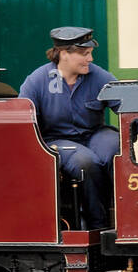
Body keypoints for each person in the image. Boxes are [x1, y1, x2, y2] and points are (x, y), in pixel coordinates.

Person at [19, 26, 120, 230]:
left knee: (114, 148)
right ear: (64, 54)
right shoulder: (37, 81)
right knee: (86, 162)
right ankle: (98, 227)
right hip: (57, 141)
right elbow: (23, 125)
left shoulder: (99, 76)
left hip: (94, 134)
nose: (90, 59)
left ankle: (126, 219)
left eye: (90, 53)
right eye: (84, 54)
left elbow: (129, 106)